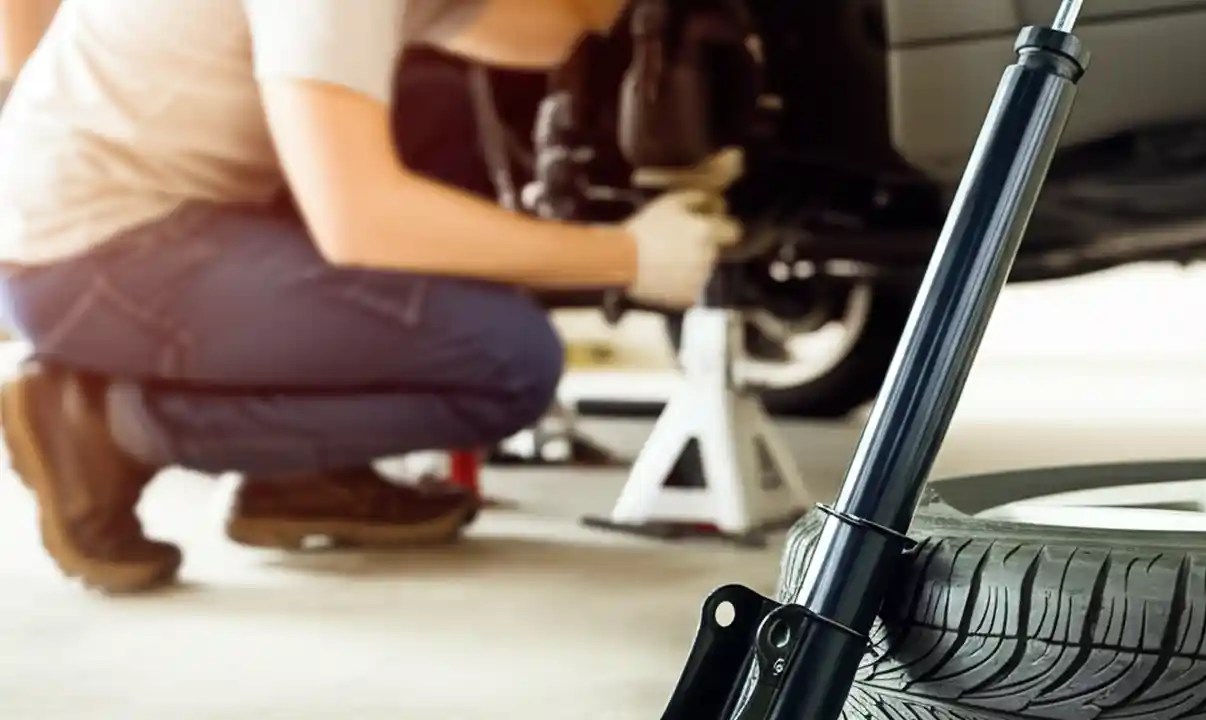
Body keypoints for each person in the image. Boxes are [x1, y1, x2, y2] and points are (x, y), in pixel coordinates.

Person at [0, 0, 742, 594]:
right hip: (89, 258)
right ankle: (106, 425)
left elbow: (548, 30)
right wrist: (626, 257)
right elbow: (361, 217)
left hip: (136, 228)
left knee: (433, 117)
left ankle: (295, 478)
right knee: (507, 362)